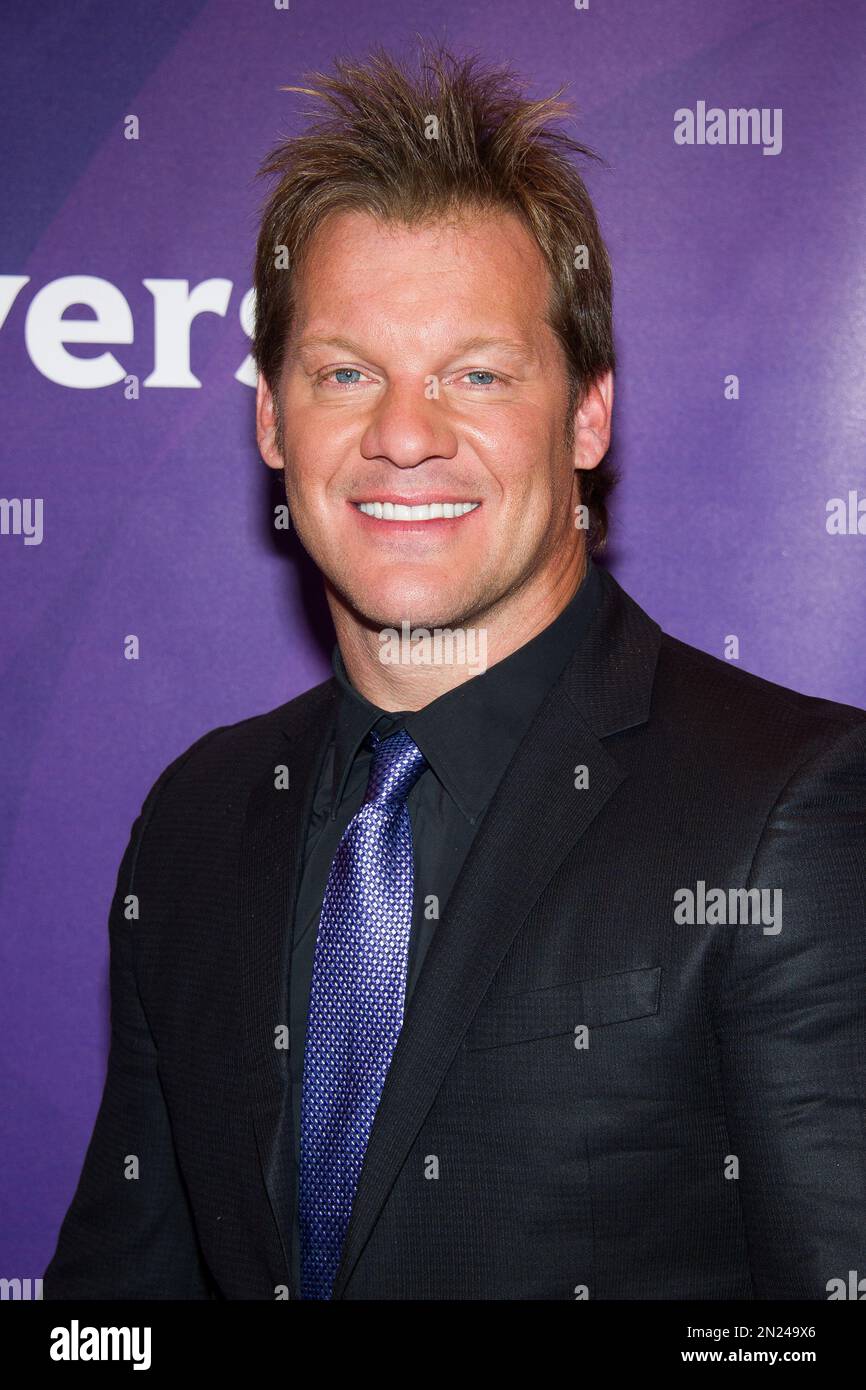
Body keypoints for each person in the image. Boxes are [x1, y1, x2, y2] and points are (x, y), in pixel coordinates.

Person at [44, 43, 866, 1301]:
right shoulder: (195, 822)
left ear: (587, 414)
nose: (405, 434)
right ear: (271, 420)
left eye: (474, 374)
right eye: (344, 373)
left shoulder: (789, 809)